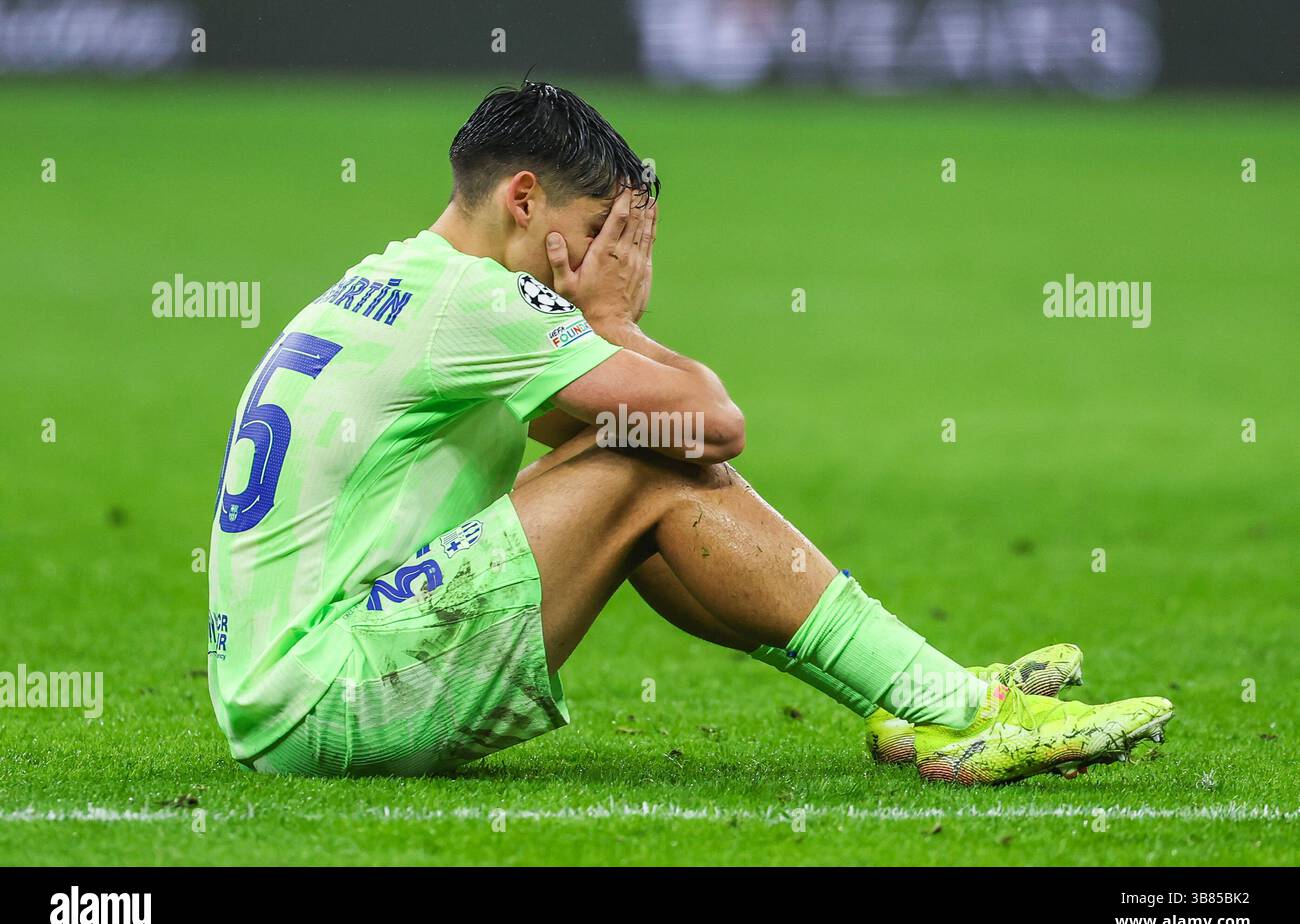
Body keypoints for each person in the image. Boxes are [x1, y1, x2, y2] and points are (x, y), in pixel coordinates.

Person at [207, 81, 1172, 783]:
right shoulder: (480, 302)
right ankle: (952, 710)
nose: (593, 263)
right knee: (644, 455)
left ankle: (915, 695)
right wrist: (616, 324)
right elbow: (715, 425)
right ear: (524, 200)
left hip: (285, 690)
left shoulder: (397, 281)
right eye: (592, 233)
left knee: (629, 455)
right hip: (328, 699)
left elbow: (562, 423)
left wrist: (596, 337)